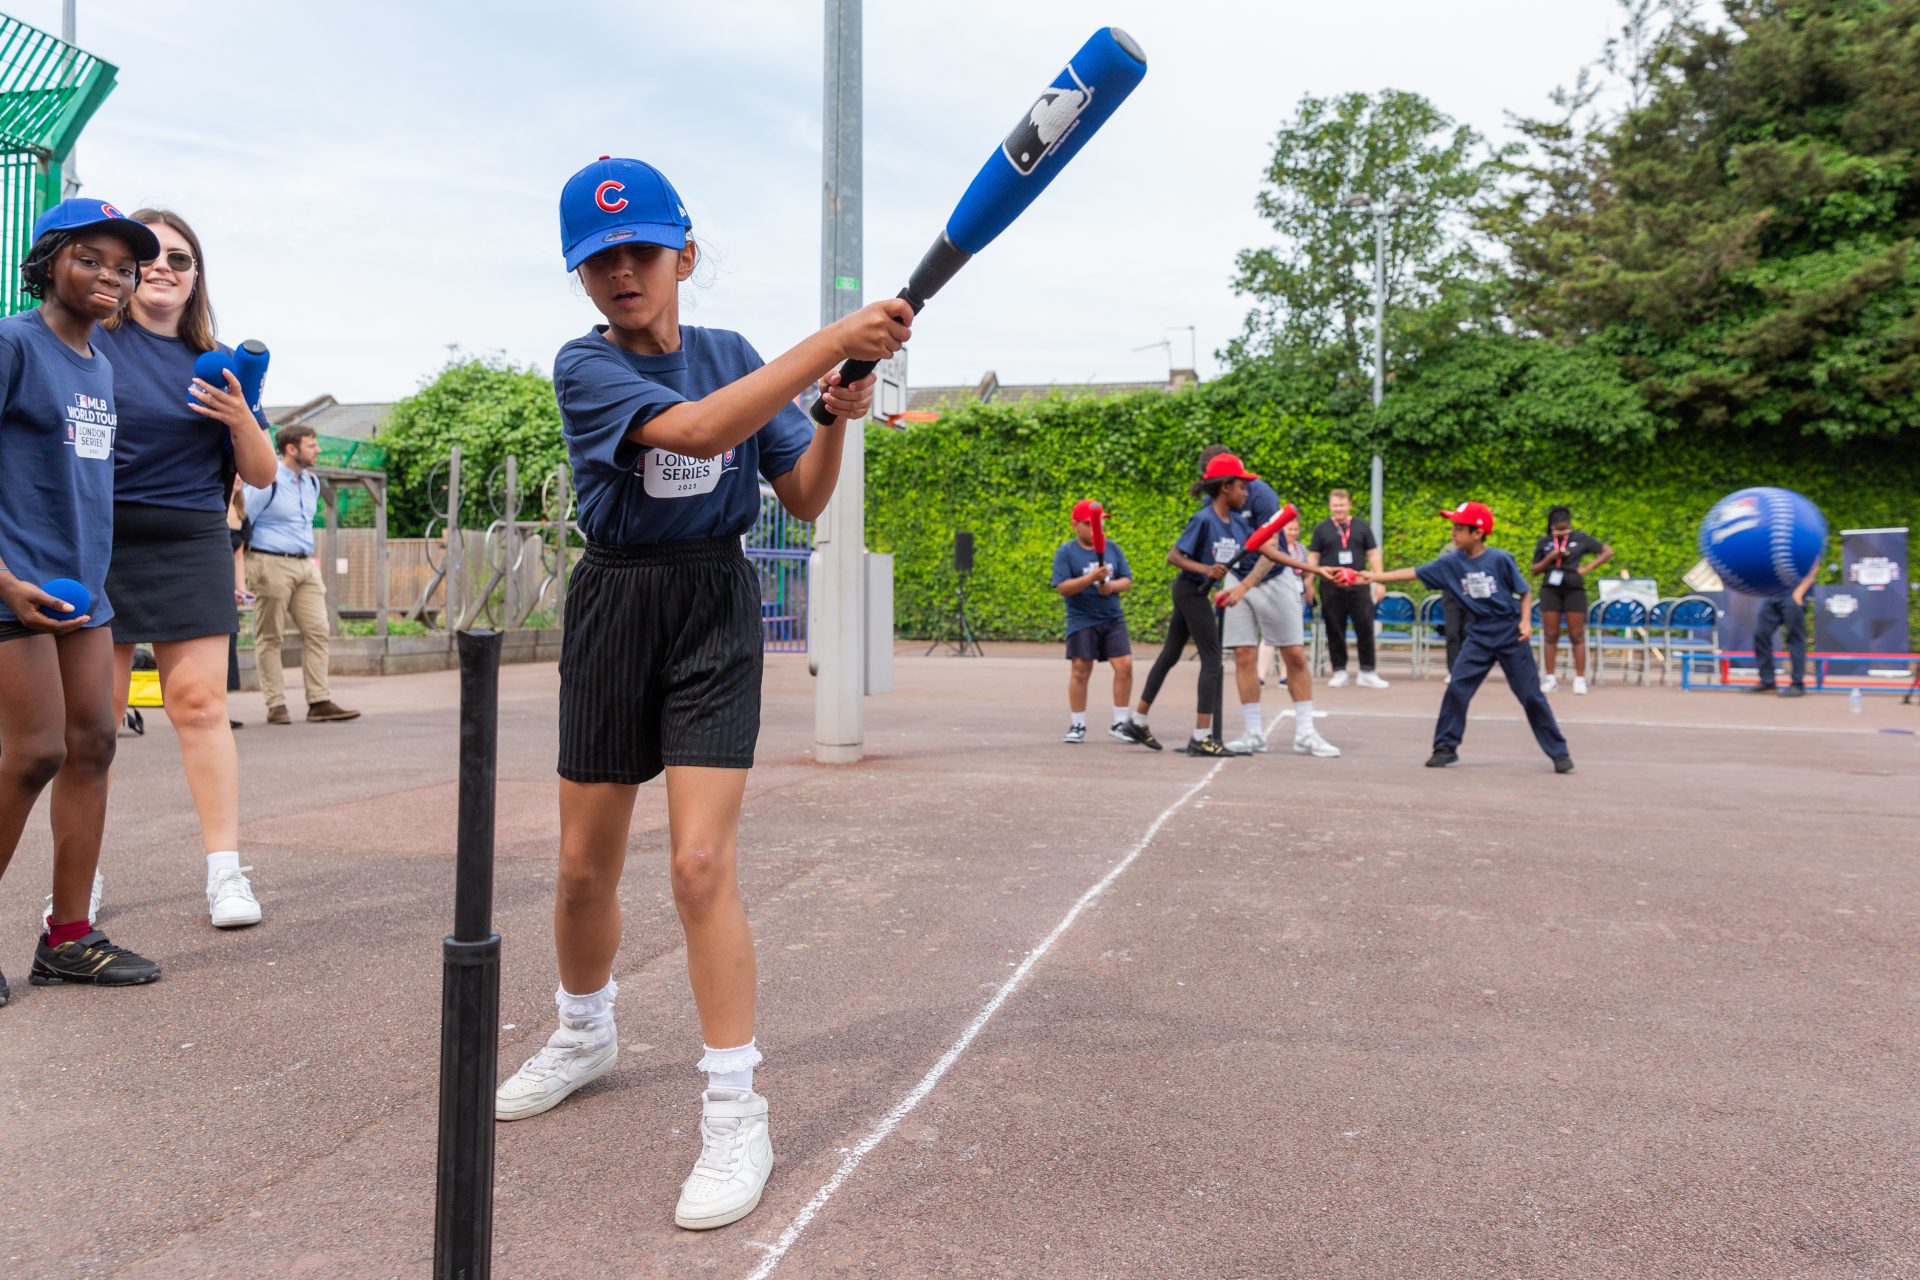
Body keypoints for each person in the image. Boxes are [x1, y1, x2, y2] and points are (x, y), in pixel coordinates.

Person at [491, 156, 913, 1232]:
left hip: (714, 607)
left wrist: (833, 411)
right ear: (580, 276)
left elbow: (805, 496)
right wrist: (830, 343)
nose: (623, 272)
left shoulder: (732, 357)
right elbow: (696, 432)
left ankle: (736, 1104)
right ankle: (586, 1028)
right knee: (584, 864)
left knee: (697, 861)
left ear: (685, 253)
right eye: (599, 259)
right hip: (617, 603)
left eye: (642, 251)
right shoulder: (584, 367)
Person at [95, 209, 278, 931]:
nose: (164, 266)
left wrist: (240, 415)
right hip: (98, 543)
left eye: (182, 256)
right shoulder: (90, 346)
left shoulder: (222, 358)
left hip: (192, 539)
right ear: (128, 270)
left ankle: (225, 874)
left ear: (197, 275)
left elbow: (258, 474)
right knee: (94, 727)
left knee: (198, 706)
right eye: (150, 256)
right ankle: (80, 879)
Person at [0, 198, 164, 1004]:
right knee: (31, 754)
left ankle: (68, 937)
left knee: (94, 744)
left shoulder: (100, 364)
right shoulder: (11, 344)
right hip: (12, 584)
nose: (111, 276)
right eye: (90, 259)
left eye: (125, 266)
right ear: (48, 261)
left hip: (81, 592)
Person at [1360, 501, 1573, 773]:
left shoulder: (1500, 559)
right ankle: (1445, 748)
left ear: (1478, 533)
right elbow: (1413, 573)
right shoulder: (1451, 562)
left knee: (1531, 696)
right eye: (1453, 527)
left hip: (1509, 634)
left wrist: (1525, 622)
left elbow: (1525, 591)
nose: (1453, 533)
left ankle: (1559, 753)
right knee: (1457, 689)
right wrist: (1373, 577)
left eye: (1459, 528)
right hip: (1479, 635)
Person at [1200, 447, 1340, 758]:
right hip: (1236, 576)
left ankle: (1305, 732)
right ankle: (1253, 734)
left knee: (1294, 654)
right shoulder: (1213, 501)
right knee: (1244, 655)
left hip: (1273, 578)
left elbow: (1271, 546)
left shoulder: (1261, 494)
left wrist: (1246, 587)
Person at [1130, 451, 1269, 758]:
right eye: (1241, 486)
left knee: (1170, 654)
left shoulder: (1234, 523)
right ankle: (1202, 736)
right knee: (1212, 659)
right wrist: (1205, 570)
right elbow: (1174, 556)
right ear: (1225, 488)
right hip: (1189, 590)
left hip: (1200, 592)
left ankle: (1138, 719)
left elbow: (1262, 547)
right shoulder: (1204, 519)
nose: (1246, 492)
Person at [243, 423, 359, 725]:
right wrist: (239, 569)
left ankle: (319, 701)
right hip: (269, 562)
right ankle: (276, 705)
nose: (318, 449)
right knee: (270, 636)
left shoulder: (312, 482)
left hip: (306, 564)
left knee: (318, 629)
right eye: (312, 444)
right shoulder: (266, 479)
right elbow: (242, 519)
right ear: (291, 449)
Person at [1051, 500, 1135, 744]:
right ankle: (1077, 724)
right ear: (1075, 525)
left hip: (1112, 618)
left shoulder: (1113, 548)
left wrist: (1110, 587)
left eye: (1100, 523)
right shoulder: (1066, 552)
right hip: (1082, 619)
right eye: (1090, 524)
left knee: (1125, 666)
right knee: (1080, 670)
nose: (1097, 529)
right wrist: (1090, 579)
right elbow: (1063, 587)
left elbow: (1127, 581)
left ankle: (1120, 722)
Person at [1306, 488, 1388, 688]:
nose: (1339, 509)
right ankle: (1339, 670)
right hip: (1331, 586)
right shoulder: (1321, 529)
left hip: (1358, 585)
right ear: (1330, 506)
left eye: (1342, 505)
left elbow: (1373, 555)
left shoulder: (1361, 527)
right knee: (1334, 628)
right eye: (1335, 505)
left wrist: (1380, 581)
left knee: (1365, 627)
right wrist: (1308, 583)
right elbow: (1313, 558)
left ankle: (1367, 671)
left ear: (1349, 504)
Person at [1529, 504, 1613, 695]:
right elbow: (1534, 570)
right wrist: (1551, 556)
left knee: (1577, 635)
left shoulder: (1579, 538)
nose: (1560, 532)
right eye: (1556, 529)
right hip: (1550, 589)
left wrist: (1587, 568)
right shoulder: (1545, 542)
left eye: (1563, 528)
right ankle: (1550, 678)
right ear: (1551, 526)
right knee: (1550, 634)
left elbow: (1607, 551)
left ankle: (1580, 678)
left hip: (1574, 589)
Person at [1750, 565, 1817, 697]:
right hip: (1774, 594)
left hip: (1794, 594)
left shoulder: (1803, 544)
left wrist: (1798, 594)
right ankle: (1767, 681)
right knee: (1760, 634)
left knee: (1794, 638)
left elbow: (1814, 565)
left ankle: (1797, 684)